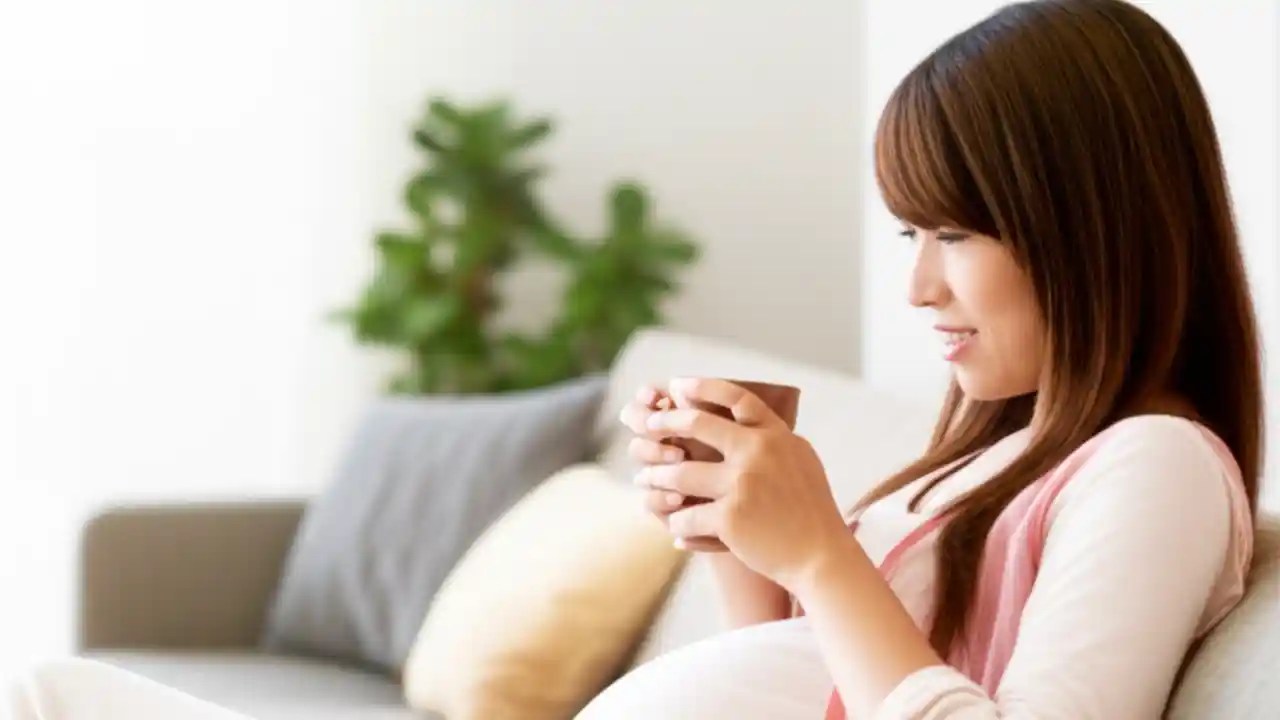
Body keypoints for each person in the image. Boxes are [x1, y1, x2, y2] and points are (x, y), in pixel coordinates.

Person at [582, 0, 1262, 718]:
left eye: (957, 233)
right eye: (913, 234)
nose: (918, 289)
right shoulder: (991, 463)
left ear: (1098, 228)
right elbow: (813, 690)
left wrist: (821, 554)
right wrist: (741, 544)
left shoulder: (1158, 462)